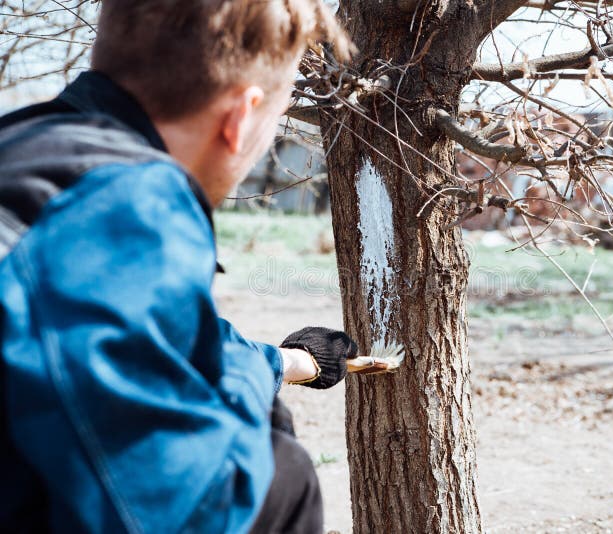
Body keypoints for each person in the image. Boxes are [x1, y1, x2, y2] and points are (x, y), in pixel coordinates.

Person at [0, 1, 355, 532]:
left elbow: (148, 346)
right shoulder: (127, 207)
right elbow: (179, 509)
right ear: (241, 117)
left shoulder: (26, 151)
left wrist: (288, 362)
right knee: (278, 475)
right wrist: (259, 410)